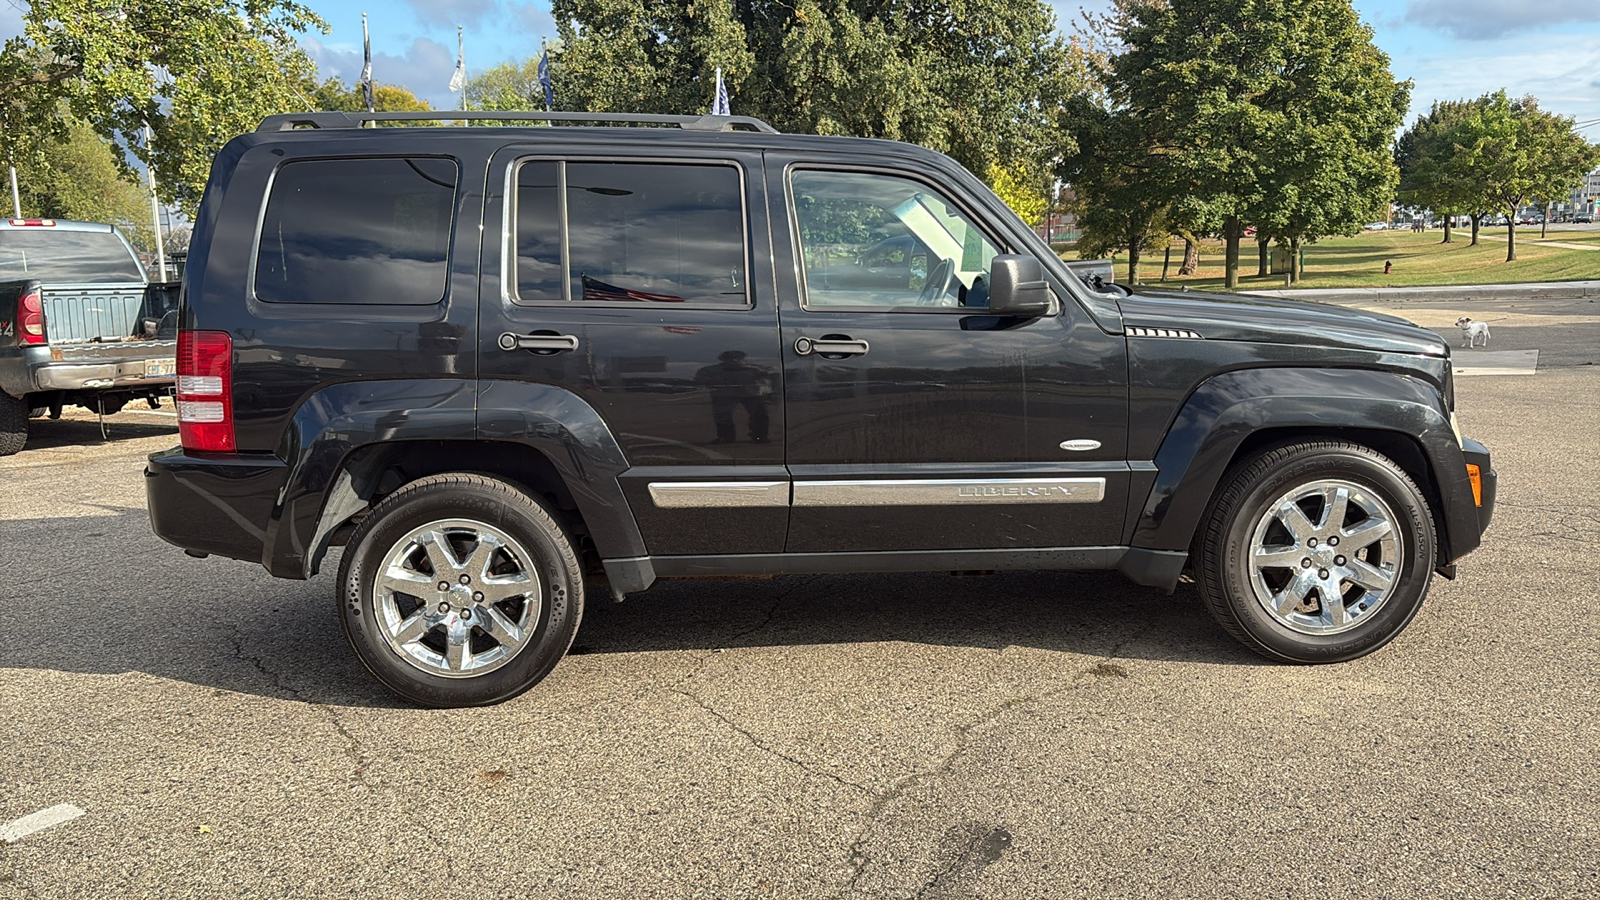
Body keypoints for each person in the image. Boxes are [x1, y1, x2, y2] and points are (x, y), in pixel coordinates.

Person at [694, 350, 772, 444]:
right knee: (723, 417)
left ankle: (760, 436)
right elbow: (698, 378)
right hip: (724, 395)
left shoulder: (755, 368)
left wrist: (761, 373)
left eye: (737, 357)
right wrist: (716, 380)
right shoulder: (712, 370)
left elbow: (772, 375)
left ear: (743, 358)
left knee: (760, 415)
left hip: (752, 394)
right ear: (722, 359)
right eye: (729, 358)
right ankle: (725, 437)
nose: (734, 360)